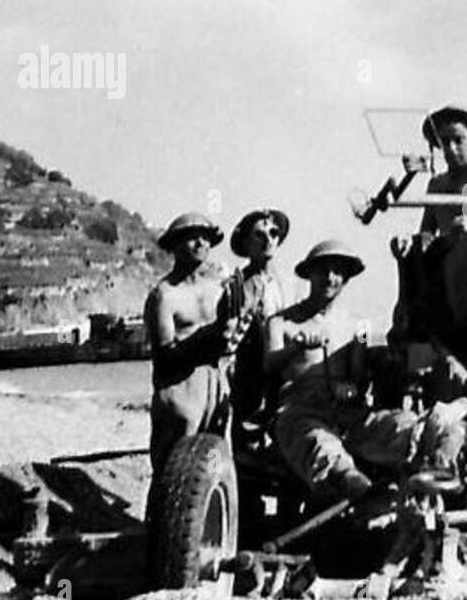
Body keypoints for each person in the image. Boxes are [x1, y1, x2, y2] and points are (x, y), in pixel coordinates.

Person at [266, 240, 418, 503]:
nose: (330, 278)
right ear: (309, 274)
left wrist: (351, 388)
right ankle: (363, 493)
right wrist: (297, 346)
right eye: (323, 270)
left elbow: (357, 379)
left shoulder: (355, 327)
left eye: (338, 272)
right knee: (324, 449)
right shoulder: (281, 322)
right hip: (300, 414)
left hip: (348, 416)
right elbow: (269, 363)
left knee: (404, 426)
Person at [144, 212, 246, 475]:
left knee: (211, 464)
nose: (200, 243)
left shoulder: (217, 289)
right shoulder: (164, 296)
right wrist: (209, 336)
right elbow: (165, 355)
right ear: (174, 245)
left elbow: (230, 338)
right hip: (180, 388)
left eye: (205, 237)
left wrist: (230, 333)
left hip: (215, 384)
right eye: (191, 238)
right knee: (172, 468)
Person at [226, 208, 291, 453]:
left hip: (279, 376)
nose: (268, 240)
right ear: (246, 242)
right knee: (248, 448)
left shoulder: (282, 281)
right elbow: (230, 337)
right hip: (249, 376)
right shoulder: (239, 285)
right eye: (259, 235)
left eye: (274, 233)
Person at [419, 105, 467, 238]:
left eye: (458, 140)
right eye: (445, 142)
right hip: (447, 255)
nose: (452, 148)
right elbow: (426, 233)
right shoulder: (436, 185)